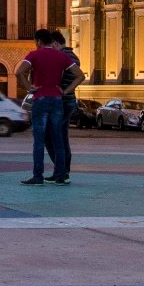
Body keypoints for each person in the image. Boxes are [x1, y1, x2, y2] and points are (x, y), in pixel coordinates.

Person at [17, 28, 75, 185]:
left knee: (39, 140)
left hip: (40, 99)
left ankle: (38, 176)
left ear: (38, 41)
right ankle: (61, 176)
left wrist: (29, 88)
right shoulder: (61, 56)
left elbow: (18, 71)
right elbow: (80, 75)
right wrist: (65, 90)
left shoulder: (34, 55)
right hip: (57, 100)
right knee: (58, 139)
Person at [51, 30, 81, 178]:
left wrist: (63, 91)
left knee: (55, 136)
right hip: (70, 100)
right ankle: (63, 169)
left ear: (55, 43)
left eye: (51, 46)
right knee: (62, 135)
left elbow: (77, 76)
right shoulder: (74, 56)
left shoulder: (62, 57)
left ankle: (61, 170)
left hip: (62, 101)